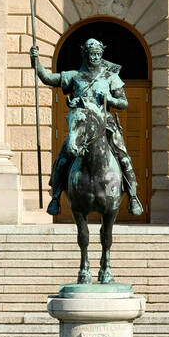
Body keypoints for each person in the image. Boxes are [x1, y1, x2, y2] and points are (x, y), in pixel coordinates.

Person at [30, 38, 143, 217]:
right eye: (92, 54)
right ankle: (56, 196)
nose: (95, 57)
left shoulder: (111, 77)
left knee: (123, 156)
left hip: (105, 125)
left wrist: (110, 100)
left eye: (98, 54)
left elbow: (123, 102)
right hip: (81, 126)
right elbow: (48, 78)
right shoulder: (74, 76)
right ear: (85, 54)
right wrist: (36, 62)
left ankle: (133, 196)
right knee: (63, 157)